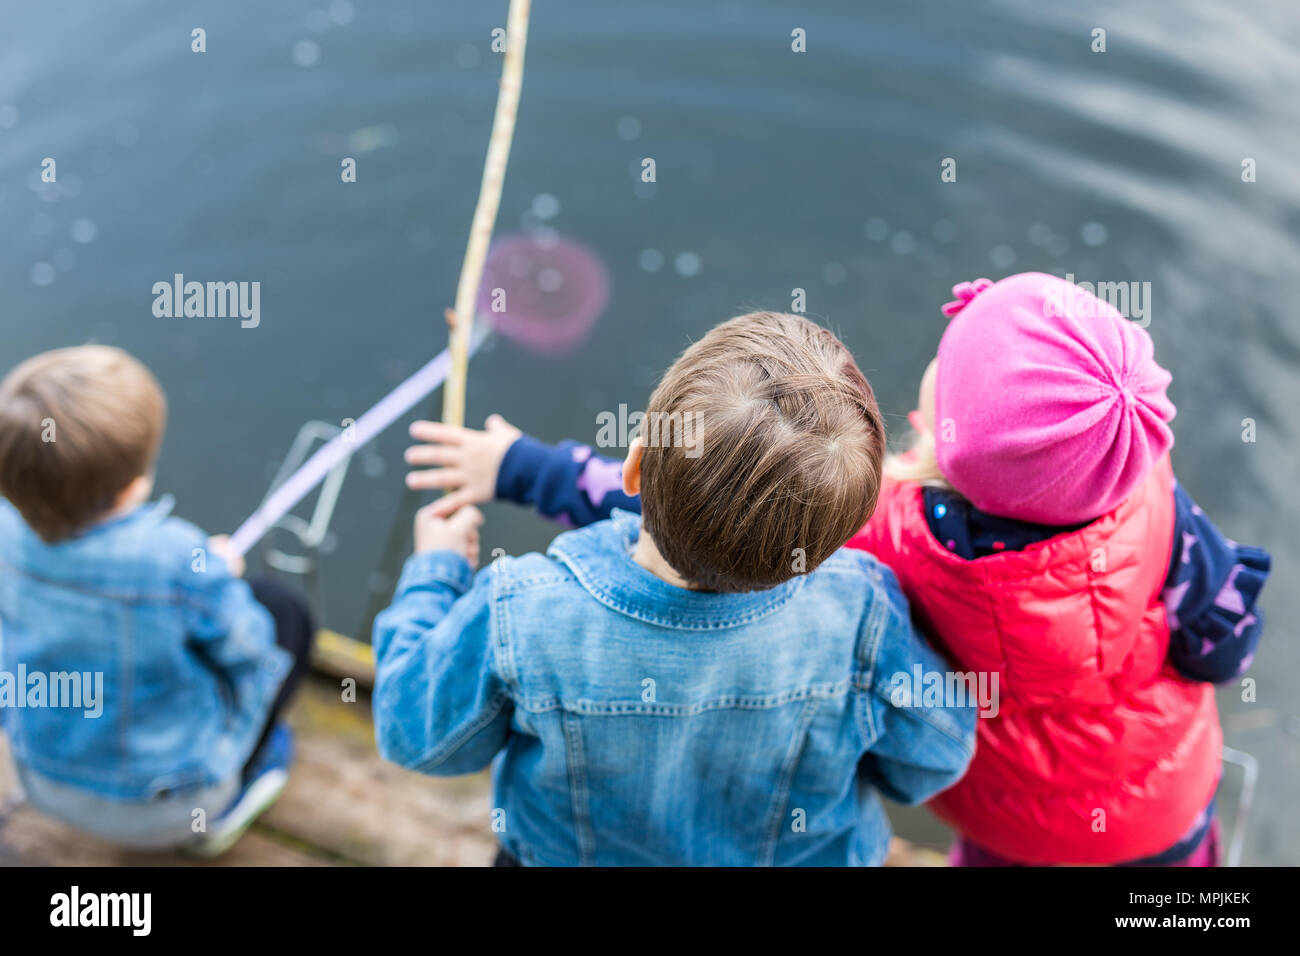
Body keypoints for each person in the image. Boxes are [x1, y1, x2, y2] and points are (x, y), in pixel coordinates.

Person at [372, 312, 976, 866]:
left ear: (631, 468)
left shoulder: (522, 611)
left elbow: (413, 734)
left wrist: (436, 574)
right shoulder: (860, 610)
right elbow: (936, 753)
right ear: (836, 536)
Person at [848, 274, 1270, 866]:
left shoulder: (890, 535)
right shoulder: (1161, 507)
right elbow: (1225, 648)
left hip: (1012, 829)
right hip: (1163, 817)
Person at [0, 345, 314, 855]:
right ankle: (227, 803)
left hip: (45, 782)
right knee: (284, 613)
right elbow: (251, 652)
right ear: (131, 488)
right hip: (168, 809)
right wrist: (215, 576)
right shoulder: (174, 561)